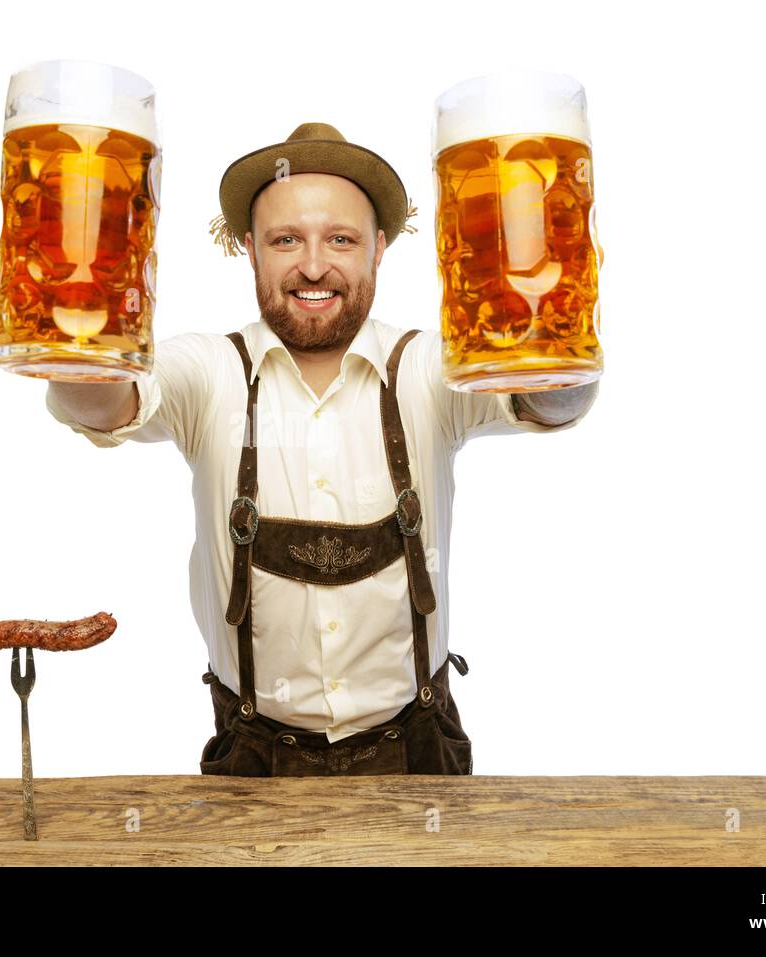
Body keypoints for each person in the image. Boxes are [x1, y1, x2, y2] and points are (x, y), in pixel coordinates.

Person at [46, 122, 597, 775]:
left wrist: (558, 315)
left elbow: (552, 402)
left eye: (341, 238)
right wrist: (76, 297)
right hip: (255, 762)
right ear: (250, 251)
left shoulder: (427, 367)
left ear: (379, 250)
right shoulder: (209, 371)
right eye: (286, 240)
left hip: (416, 752)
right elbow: (97, 402)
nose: (313, 265)